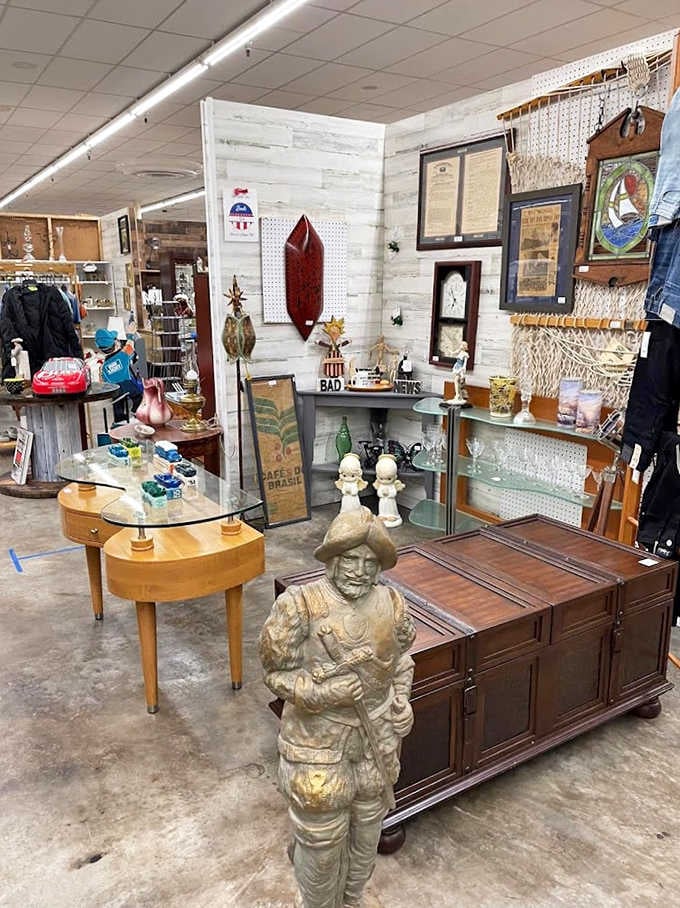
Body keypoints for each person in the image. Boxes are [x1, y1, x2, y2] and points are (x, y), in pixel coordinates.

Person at [259, 508, 416, 908]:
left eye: (370, 562)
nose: (360, 571)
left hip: (377, 740)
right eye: (350, 559)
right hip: (317, 744)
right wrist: (322, 693)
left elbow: (400, 661)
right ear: (331, 558)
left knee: (366, 838)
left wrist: (401, 700)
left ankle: (350, 900)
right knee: (323, 845)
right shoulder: (301, 605)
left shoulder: (391, 602)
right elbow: (276, 673)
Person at [95, 324, 142, 422]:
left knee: (117, 403)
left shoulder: (103, 366)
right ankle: (135, 412)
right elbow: (130, 345)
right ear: (116, 343)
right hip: (127, 384)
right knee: (138, 395)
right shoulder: (123, 355)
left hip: (114, 389)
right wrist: (130, 334)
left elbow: (103, 380)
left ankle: (119, 420)